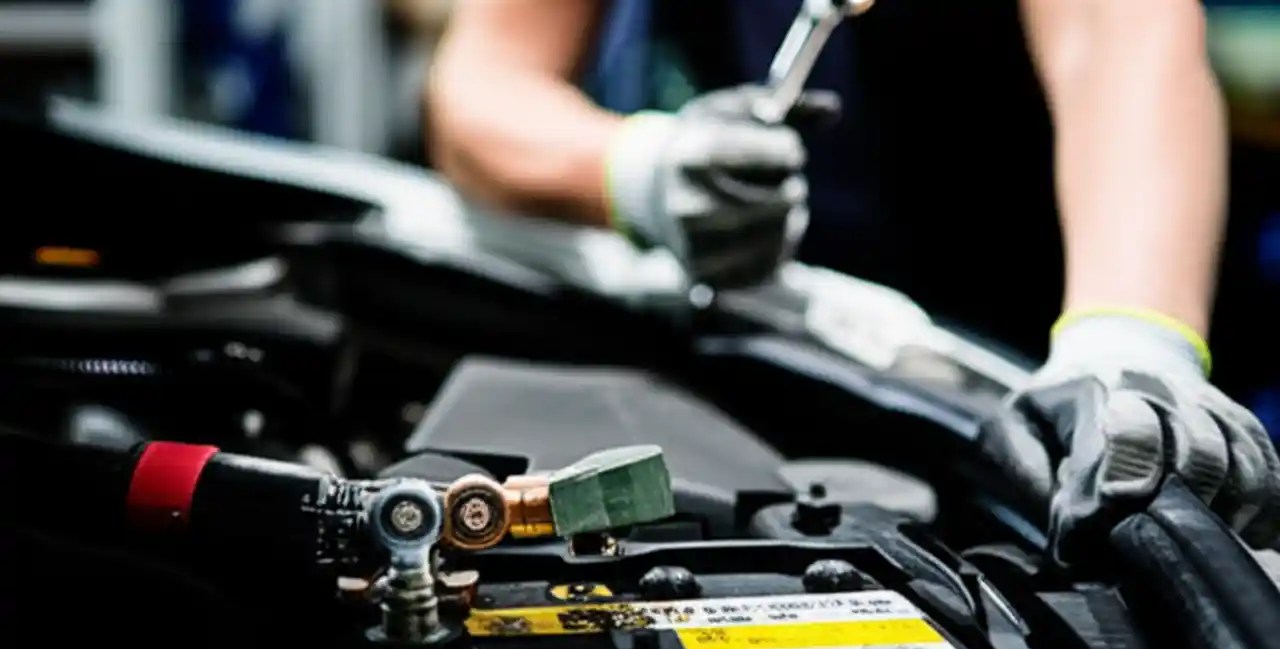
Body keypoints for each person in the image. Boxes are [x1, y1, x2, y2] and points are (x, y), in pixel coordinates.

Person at [423, 0, 1280, 559]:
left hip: (1062, 344)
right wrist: (639, 168)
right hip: (779, 342)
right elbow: (482, 83)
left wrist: (1130, 342)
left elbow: (1120, 40)